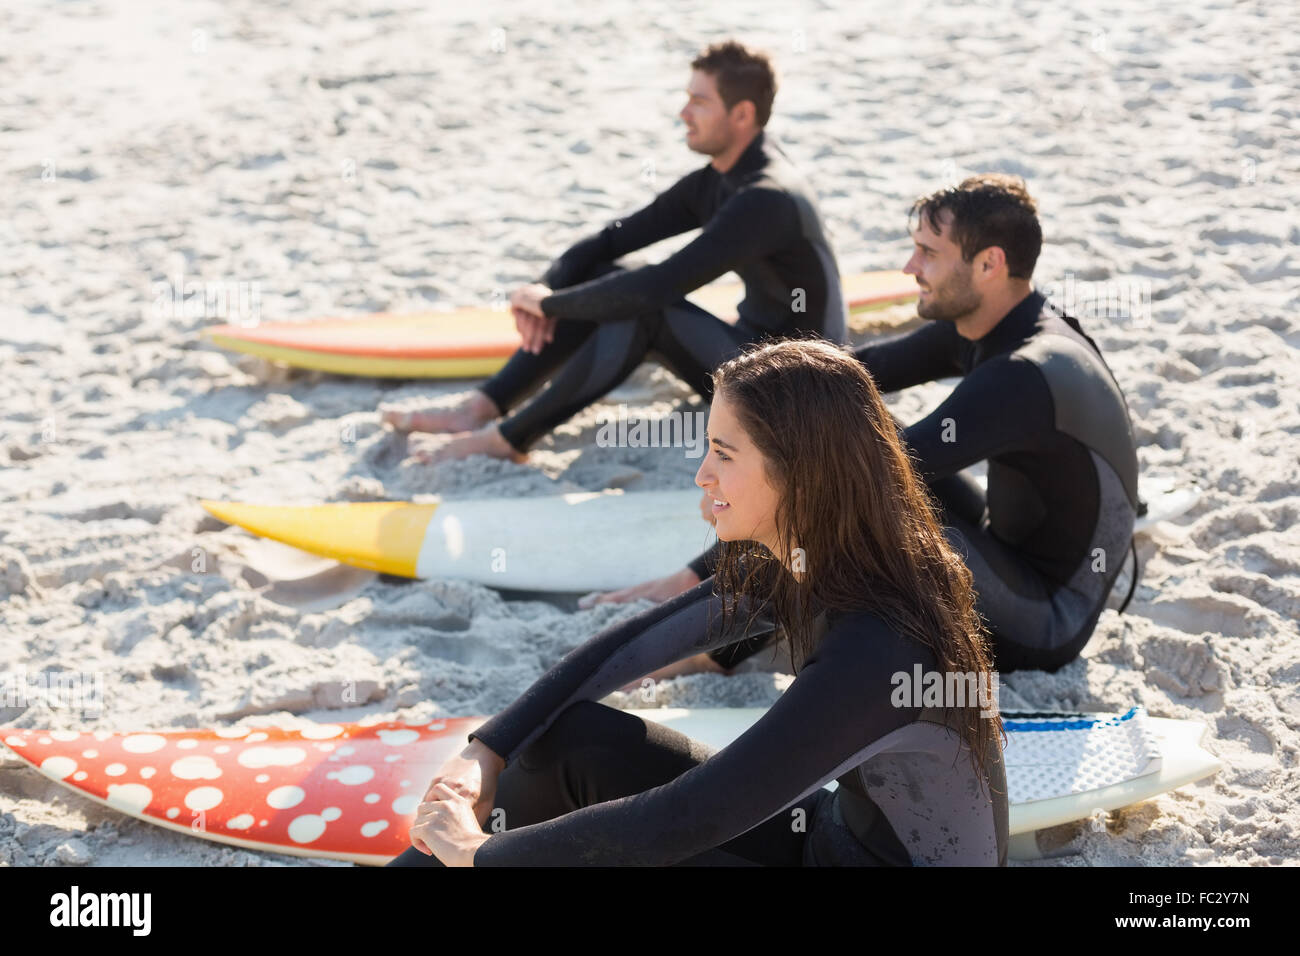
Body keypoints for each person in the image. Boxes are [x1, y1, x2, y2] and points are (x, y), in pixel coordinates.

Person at [386, 339, 1007, 867]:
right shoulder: (819, 558)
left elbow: (686, 818)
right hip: (832, 838)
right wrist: (486, 750)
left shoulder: (878, 649)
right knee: (564, 740)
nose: (701, 475)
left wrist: (477, 854)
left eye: (724, 454)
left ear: (801, 473)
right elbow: (628, 648)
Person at [588, 175, 1141, 675]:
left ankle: (710, 651)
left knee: (851, 503)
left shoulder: (1023, 375)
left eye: (928, 252)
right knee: (856, 427)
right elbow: (850, 377)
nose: (909, 268)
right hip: (1006, 548)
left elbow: (854, 483)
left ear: (989, 264)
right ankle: (719, 612)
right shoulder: (993, 324)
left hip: (1045, 622)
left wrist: (692, 575)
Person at [380, 40, 847, 463]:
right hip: (753, 352)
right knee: (609, 276)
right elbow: (611, 240)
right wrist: (548, 288)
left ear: (742, 114)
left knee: (643, 308)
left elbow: (658, 287)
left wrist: (549, 305)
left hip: (798, 394)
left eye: (699, 102)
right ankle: (481, 406)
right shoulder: (721, 179)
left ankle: (508, 439)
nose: (684, 113)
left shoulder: (765, 198)